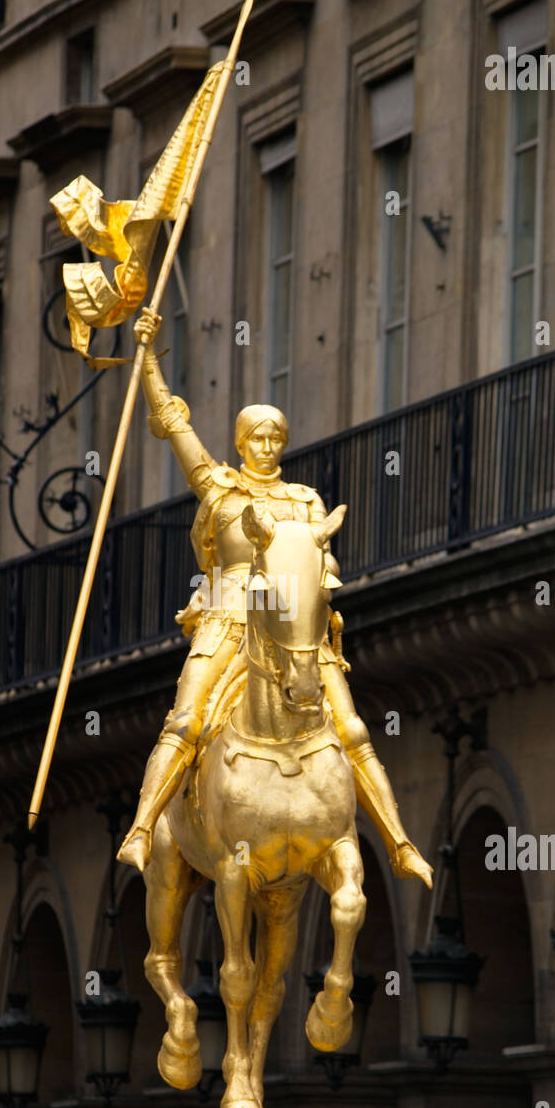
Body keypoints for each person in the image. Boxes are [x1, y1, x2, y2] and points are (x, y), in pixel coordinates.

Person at [117, 308, 432, 887]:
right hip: (231, 614)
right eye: (257, 436)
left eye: (275, 436)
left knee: (354, 729)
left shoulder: (305, 499)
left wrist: (323, 569)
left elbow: (324, 565)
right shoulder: (219, 487)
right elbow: (171, 423)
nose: (267, 444)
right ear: (240, 442)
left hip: (297, 626)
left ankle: (399, 842)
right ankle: (141, 829)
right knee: (186, 720)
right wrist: (148, 361)